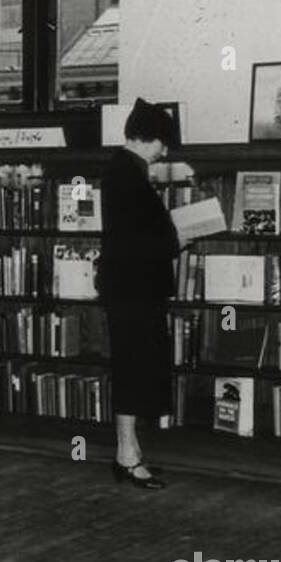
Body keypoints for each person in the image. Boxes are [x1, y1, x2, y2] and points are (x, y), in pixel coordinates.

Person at [98, 99, 182, 490]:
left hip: (129, 286)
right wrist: (178, 238)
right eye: (163, 143)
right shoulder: (129, 175)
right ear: (149, 139)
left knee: (134, 368)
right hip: (134, 288)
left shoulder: (123, 172)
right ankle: (127, 456)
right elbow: (142, 240)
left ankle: (128, 452)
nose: (164, 152)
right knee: (133, 370)